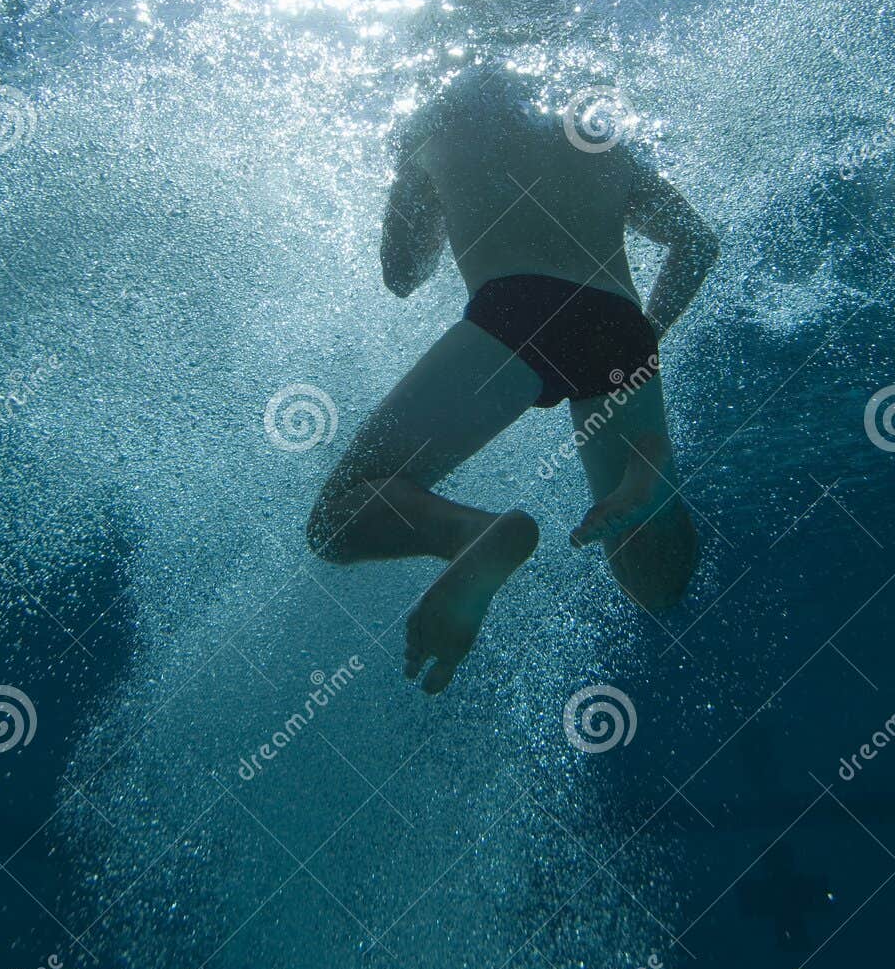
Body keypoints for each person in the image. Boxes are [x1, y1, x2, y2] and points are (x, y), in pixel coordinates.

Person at [307, 61, 719, 695]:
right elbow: (696, 242)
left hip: (516, 315)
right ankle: (651, 473)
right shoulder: (595, 138)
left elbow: (401, 275)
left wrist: (417, 177)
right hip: (620, 324)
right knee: (652, 577)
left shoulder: (430, 132)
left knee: (337, 518)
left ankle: (472, 535)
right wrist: (644, 344)